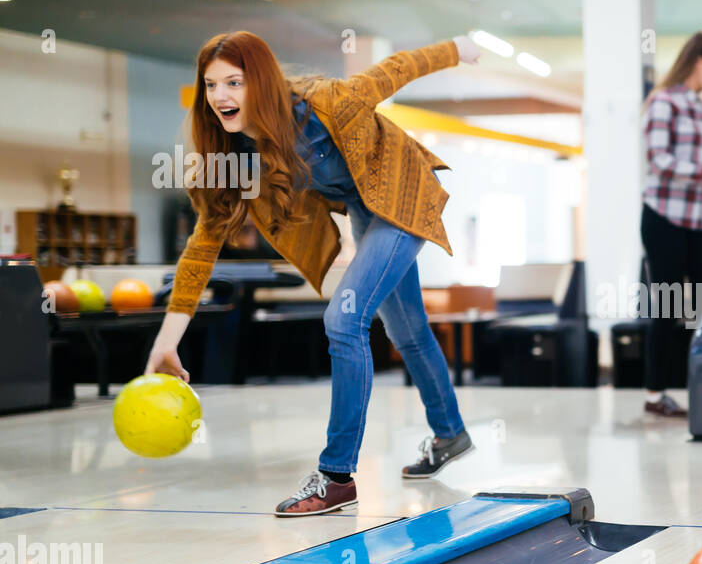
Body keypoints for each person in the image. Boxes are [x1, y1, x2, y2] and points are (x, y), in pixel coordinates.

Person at [146, 30, 483, 515]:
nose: (220, 96)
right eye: (211, 84)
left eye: (234, 82)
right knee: (407, 330)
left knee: (343, 320)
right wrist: (167, 339)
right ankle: (450, 435)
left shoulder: (327, 102)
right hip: (364, 205)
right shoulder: (235, 155)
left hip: (404, 190)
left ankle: (336, 476)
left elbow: (397, 68)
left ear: (260, 82)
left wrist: (458, 48)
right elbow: (202, 247)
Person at [640, 30, 702, 417]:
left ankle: (700, 381)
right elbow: (658, 159)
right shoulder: (664, 102)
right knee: (668, 306)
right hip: (665, 218)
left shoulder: (701, 107)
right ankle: (654, 392)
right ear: (698, 61)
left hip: (700, 218)